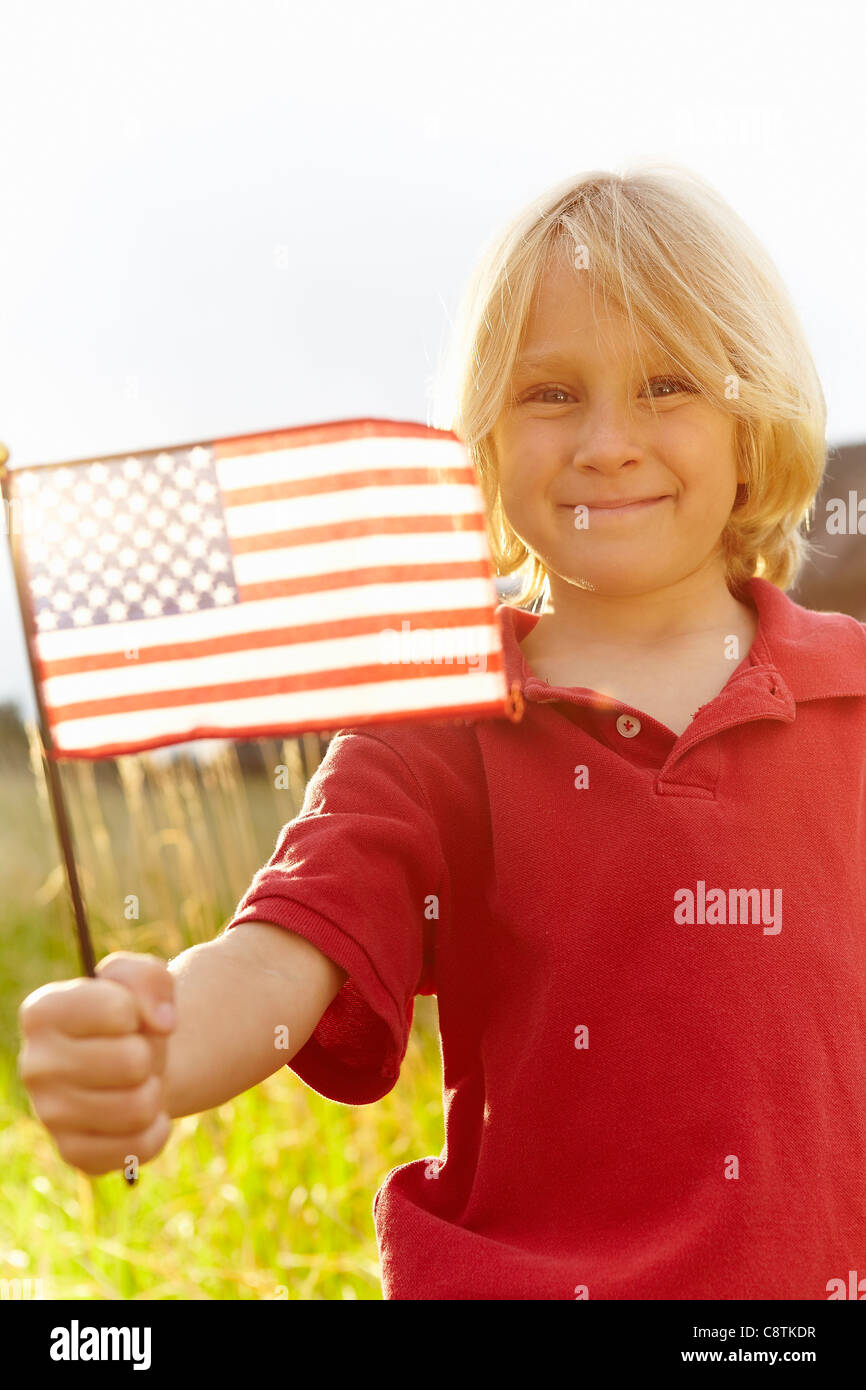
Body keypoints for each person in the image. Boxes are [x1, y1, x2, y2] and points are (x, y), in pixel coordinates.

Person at [18, 163, 866, 1299]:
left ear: (750, 413)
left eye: (665, 385)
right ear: (480, 437)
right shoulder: (435, 729)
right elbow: (281, 957)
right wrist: (151, 1041)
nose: (606, 442)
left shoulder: (850, 693)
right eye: (549, 393)